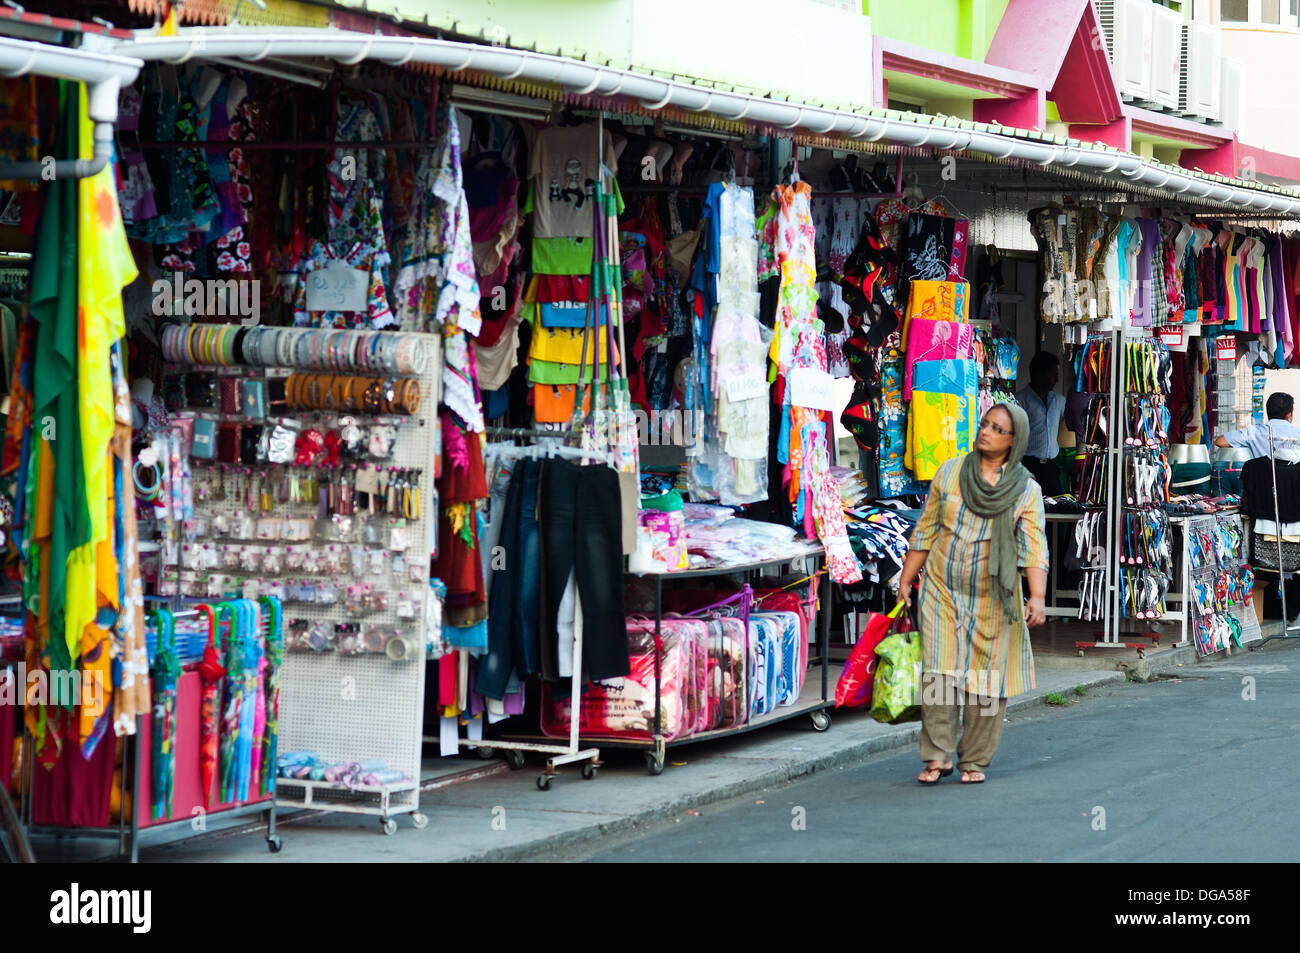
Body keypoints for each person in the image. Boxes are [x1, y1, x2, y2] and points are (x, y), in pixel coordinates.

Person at [895, 403, 1049, 785]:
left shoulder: (1025, 490)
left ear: (1014, 442)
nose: (986, 432)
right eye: (985, 424)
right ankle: (937, 756)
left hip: (993, 598)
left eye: (998, 429)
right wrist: (905, 580)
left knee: (985, 679)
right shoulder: (950, 473)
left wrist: (1038, 596)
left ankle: (975, 760)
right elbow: (926, 531)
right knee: (938, 673)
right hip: (941, 590)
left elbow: (1033, 548)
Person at [1017, 352, 1066, 493]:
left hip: (1051, 467)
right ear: (1039, 375)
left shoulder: (1059, 400)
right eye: (1053, 375)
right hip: (1027, 465)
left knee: (1056, 509)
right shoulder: (1020, 400)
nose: (1057, 379)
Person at [1214, 392, 1300, 459]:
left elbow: (1220, 442)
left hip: (1265, 479)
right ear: (1289, 415)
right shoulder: (1298, 434)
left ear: (1268, 412)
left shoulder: (1253, 433)